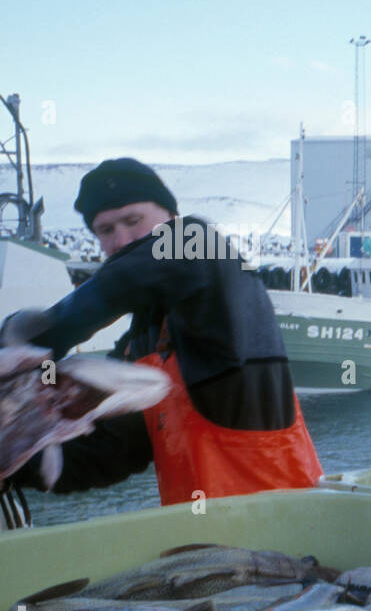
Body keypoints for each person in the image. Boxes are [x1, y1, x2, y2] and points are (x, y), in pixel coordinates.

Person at [0, 157, 322, 508]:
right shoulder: (136, 346)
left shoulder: (204, 254)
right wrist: (20, 459)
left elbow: (125, 278)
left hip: (288, 523)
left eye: (133, 220)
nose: (121, 239)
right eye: (105, 231)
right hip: (198, 547)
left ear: (171, 216)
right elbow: (114, 451)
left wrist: (26, 342)